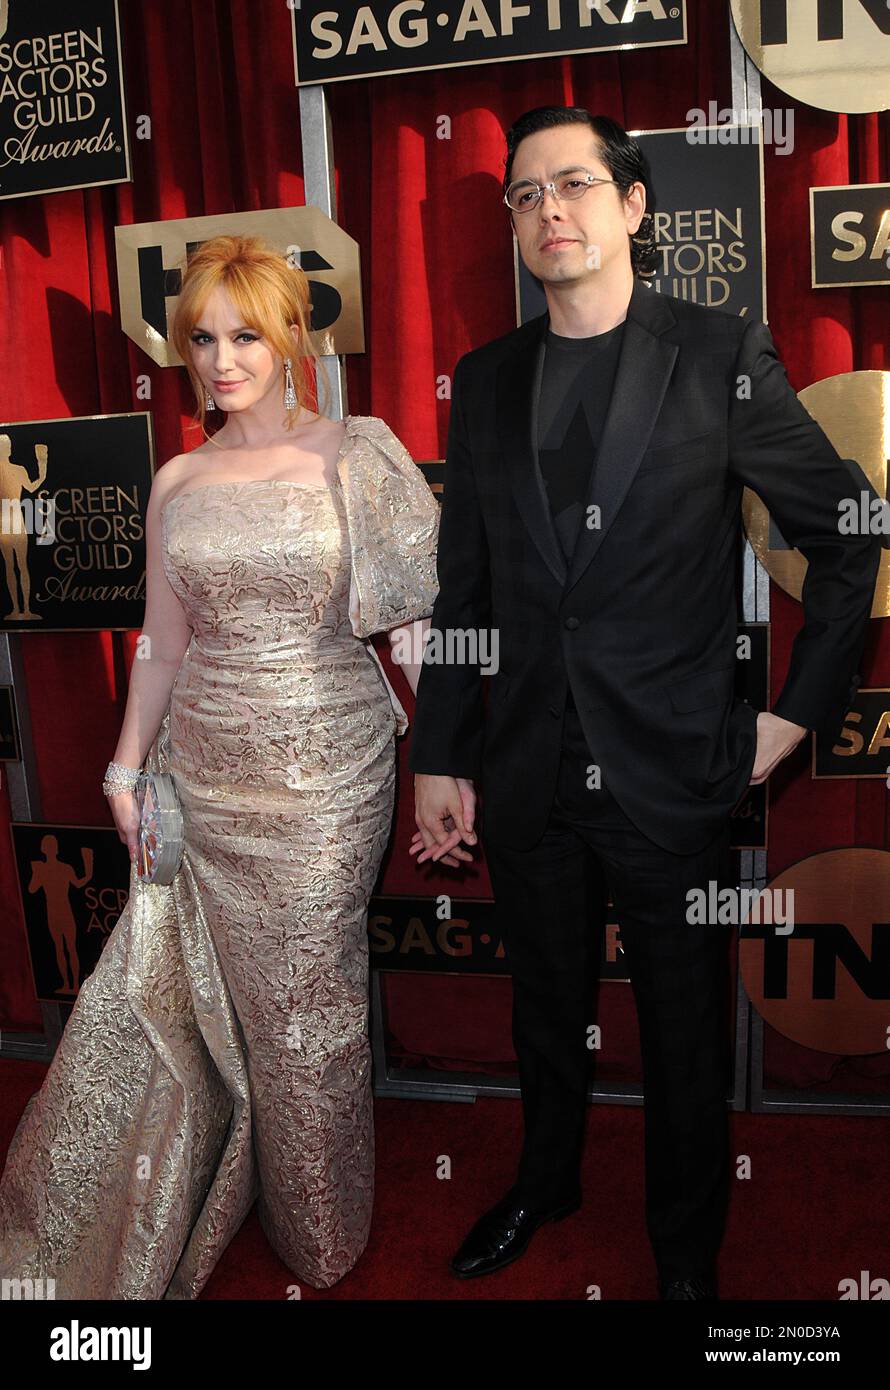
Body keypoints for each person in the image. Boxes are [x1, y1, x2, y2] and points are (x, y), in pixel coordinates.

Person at [408, 107, 881, 1300]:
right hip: (522, 768)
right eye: (523, 195)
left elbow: (844, 540)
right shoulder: (484, 377)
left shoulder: (719, 352)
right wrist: (439, 752)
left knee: (679, 1034)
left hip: (672, 769)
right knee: (543, 1007)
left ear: (631, 206)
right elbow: (463, 584)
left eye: (572, 185)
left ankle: (683, 1252)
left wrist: (790, 719)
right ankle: (545, 1179)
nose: (546, 210)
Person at [0, 234, 439, 1297]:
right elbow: (161, 637)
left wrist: (447, 761)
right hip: (200, 767)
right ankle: (227, 1172)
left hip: (327, 776)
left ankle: (319, 1227)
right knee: (215, 997)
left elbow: (415, 629)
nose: (221, 357)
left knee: (305, 1001)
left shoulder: (356, 453)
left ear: (293, 333)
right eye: (201, 337)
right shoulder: (178, 477)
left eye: (244, 333)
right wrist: (122, 767)